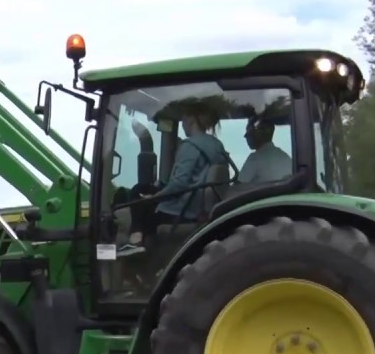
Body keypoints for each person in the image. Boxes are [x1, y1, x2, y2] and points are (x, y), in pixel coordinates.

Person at [120, 104, 229, 255]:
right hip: (199, 201)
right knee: (141, 188)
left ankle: (136, 242)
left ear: (191, 119)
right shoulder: (216, 145)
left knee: (140, 201)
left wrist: (156, 197)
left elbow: (179, 184)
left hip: (185, 207)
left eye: (183, 118)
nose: (182, 122)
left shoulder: (190, 145)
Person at [237, 119, 292, 185]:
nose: (245, 136)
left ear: (261, 133)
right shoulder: (285, 156)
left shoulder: (254, 158)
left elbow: (238, 187)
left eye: (249, 132)